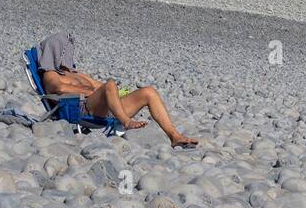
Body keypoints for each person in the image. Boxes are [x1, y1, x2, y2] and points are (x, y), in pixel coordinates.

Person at [36, 31, 198, 148]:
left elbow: (100, 86)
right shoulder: (50, 73)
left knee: (148, 91)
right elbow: (59, 87)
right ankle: (126, 122)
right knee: (110, 85)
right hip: (80, 108)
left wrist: (117, 94)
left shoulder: (75, 73)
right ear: (56, 51)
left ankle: (175, 136)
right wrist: (93, 91)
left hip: (102, 106)